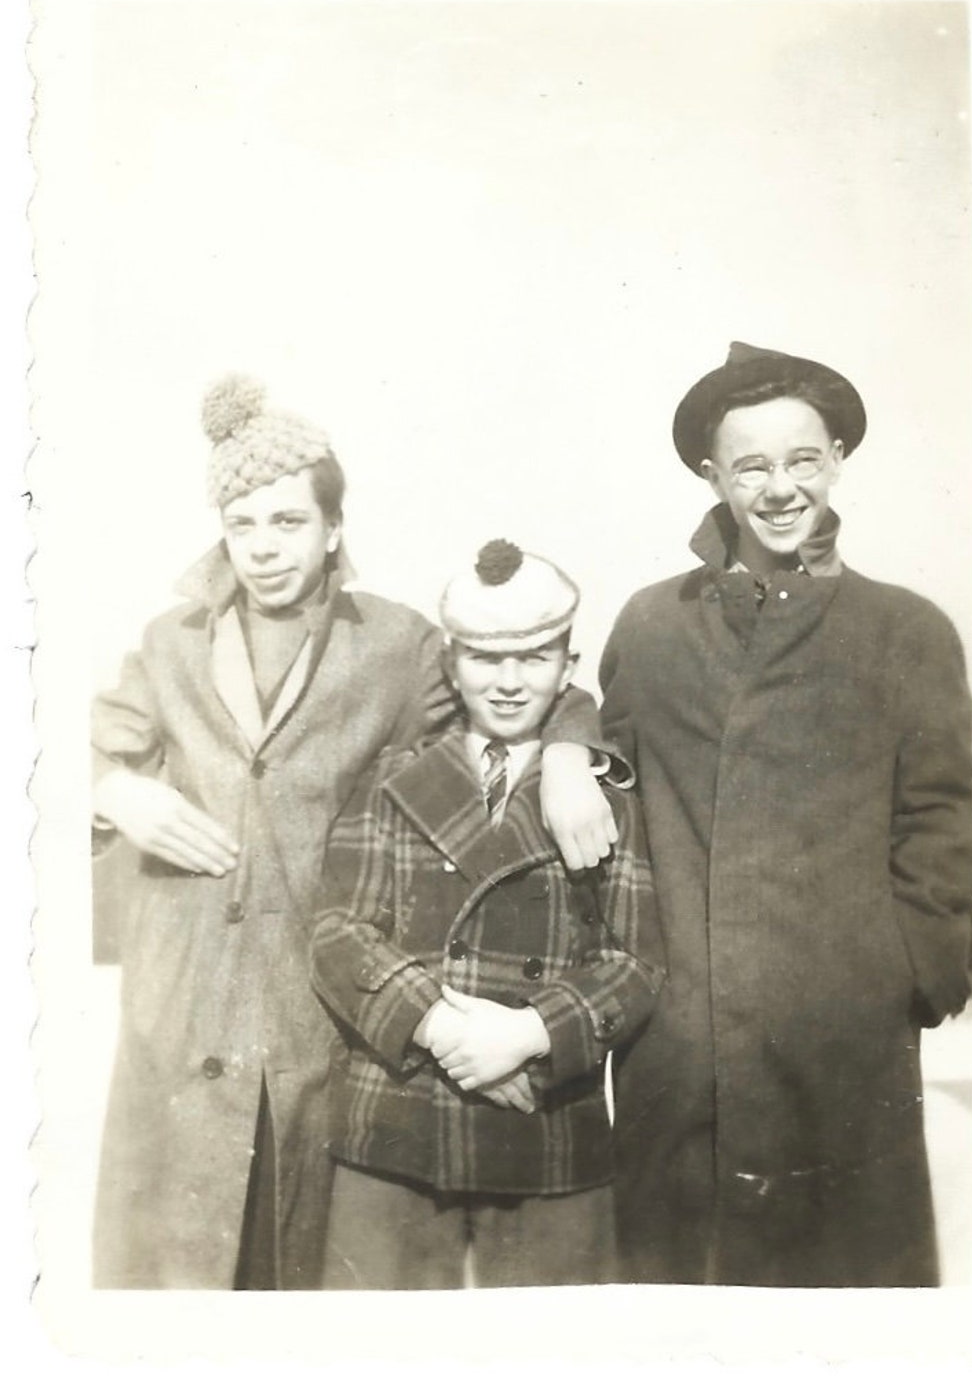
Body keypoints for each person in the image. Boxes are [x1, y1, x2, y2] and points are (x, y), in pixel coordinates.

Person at [90, 381, 619, 1290]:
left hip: (313, 1012)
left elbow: (518, 695)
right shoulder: (170, 642)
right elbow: (56, 762)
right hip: (179, 1009)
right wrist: (114, 792)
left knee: (296, 1271)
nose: (263, 547)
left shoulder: (395, 644)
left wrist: (573, 752)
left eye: (288, 521)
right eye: (242, 522)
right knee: (169, 1278)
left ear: (334, 528)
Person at [601, 341, 972, 1288]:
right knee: (678, 1328)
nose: (780, 488)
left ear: (838, 461)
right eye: (752, 466)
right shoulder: (650, 624)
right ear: (712, 476)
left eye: (802, 459)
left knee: (846, 1327)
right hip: (682, 1049)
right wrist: (571, 755)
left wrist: (906, 977)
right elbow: (611, 771)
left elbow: (940, 820)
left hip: (842, 1050)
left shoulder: (906, 630)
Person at [311, 540, 665, 1289]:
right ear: (450, 663)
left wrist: (528, 1033)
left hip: (545, 1126)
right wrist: (442, 1029)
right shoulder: (392, 778)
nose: (508, 683)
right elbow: (338, 934)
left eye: (535, 659)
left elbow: (634, 965)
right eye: (484, 659)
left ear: (569, 667)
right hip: (396, 1124)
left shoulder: (604, 798)